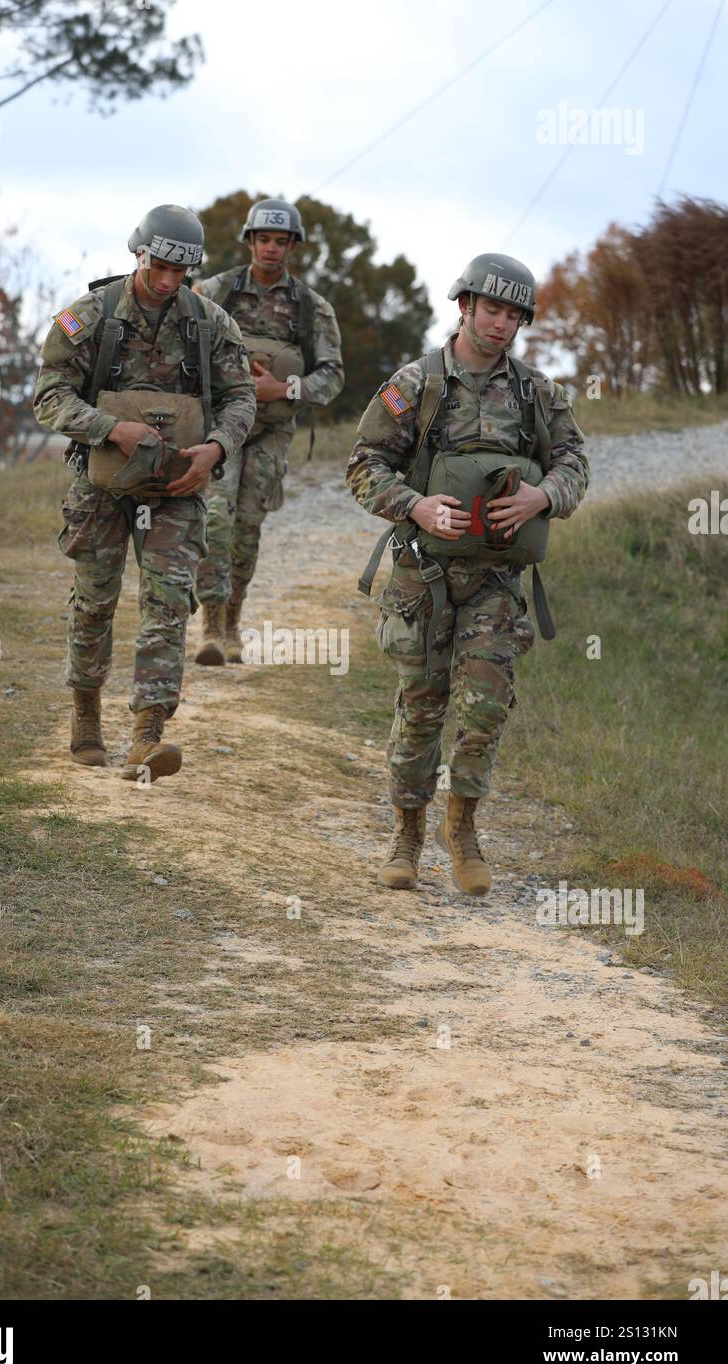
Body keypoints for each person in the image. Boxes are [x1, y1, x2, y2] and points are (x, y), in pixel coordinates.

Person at [347, 253, 589, 894]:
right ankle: (406, 834)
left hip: (497, 581)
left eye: (514, 315)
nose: (502, 324)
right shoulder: (416, 384)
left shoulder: (537, 393)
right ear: (464, 307)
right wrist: (416, 504)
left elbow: (575, 464)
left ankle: (464, 829)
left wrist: (544, 497)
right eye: (492, 310)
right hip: (423, 574)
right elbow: (364, 465)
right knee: (421, 707)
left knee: (485, 711)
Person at [33, 204, 256, 781]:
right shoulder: (92, 317)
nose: (166, 281)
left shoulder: (210, 323)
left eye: (178, 273)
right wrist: (112, 428)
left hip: (178, 486)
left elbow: (241, 398)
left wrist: (216, 449)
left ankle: (147, 735)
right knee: (95, 602)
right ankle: (85, 714)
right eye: (158, 267)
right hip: (103, 486)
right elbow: (49, 394)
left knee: (168, 604)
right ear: (138, 254)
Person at [192, 197, 344, 663]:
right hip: (221, 425)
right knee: (216, 520)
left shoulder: (310, 308)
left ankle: (234, 622)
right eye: (264, 240)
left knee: (247, 528)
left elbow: (333, 375)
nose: (272, 249)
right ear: (250, 241)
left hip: (272, 431)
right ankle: (211, 628)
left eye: (281, 241)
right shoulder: (213, 292)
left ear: (292, 246)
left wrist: (284, 388)